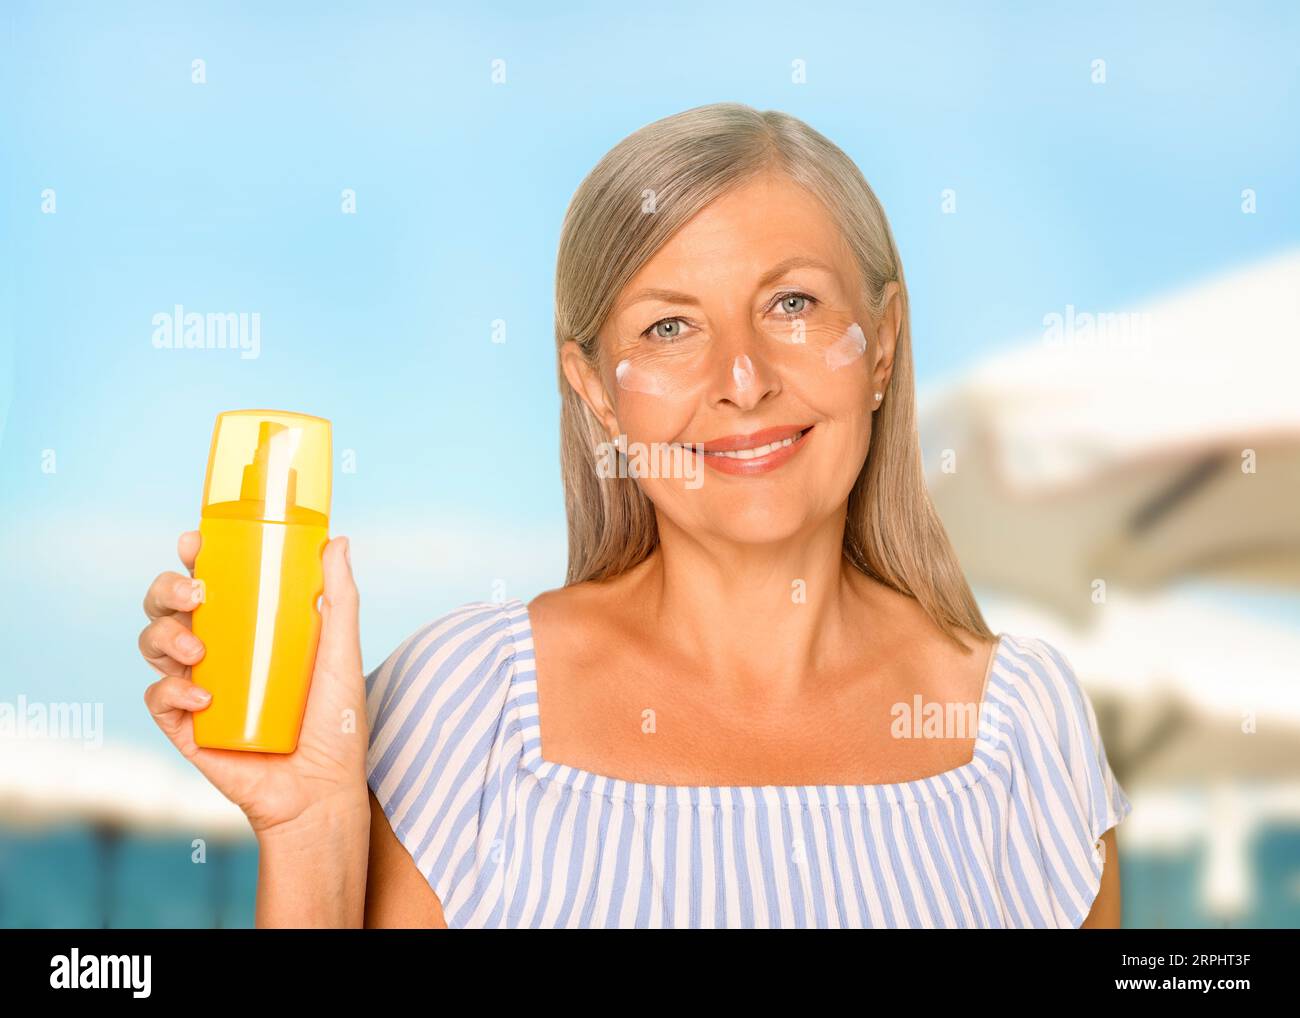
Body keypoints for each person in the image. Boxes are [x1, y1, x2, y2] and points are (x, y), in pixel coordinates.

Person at [140, 102, 1132, 928]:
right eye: (669, 327)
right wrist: (309, 827)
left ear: (879, 347)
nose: (741, 379)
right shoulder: (460, 713)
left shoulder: (1024, 730)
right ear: (598, 396)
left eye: (790, 305)